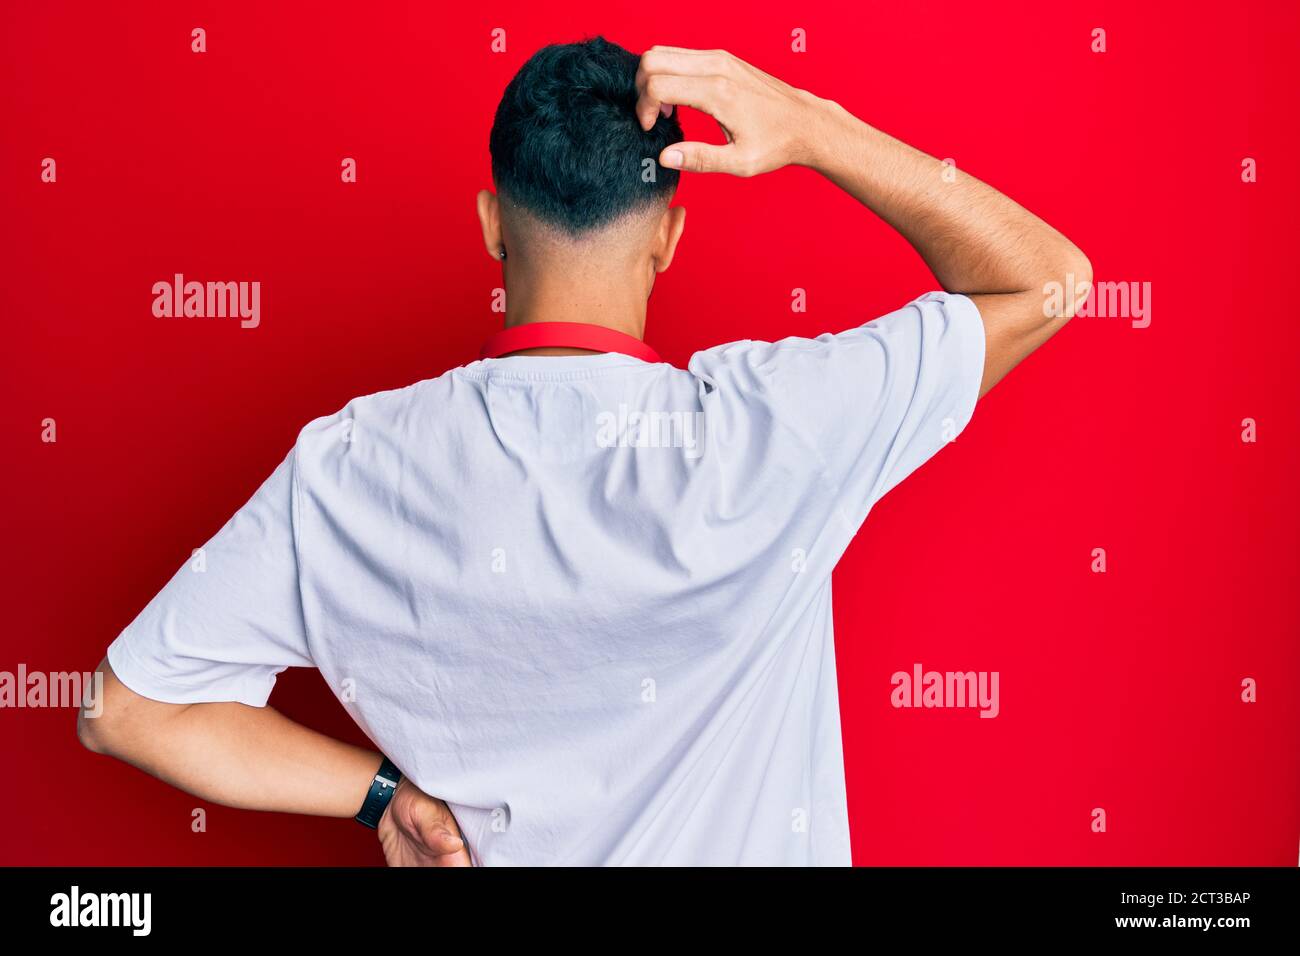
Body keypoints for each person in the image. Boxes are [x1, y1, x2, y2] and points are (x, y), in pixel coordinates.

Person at [78, 37, 1090, 866]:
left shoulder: (353, 467)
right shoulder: (778, 425)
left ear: (489, 226)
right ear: (668, 237)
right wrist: (814, 129)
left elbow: (123, 709)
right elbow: (1047, 280)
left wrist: (382, 795)